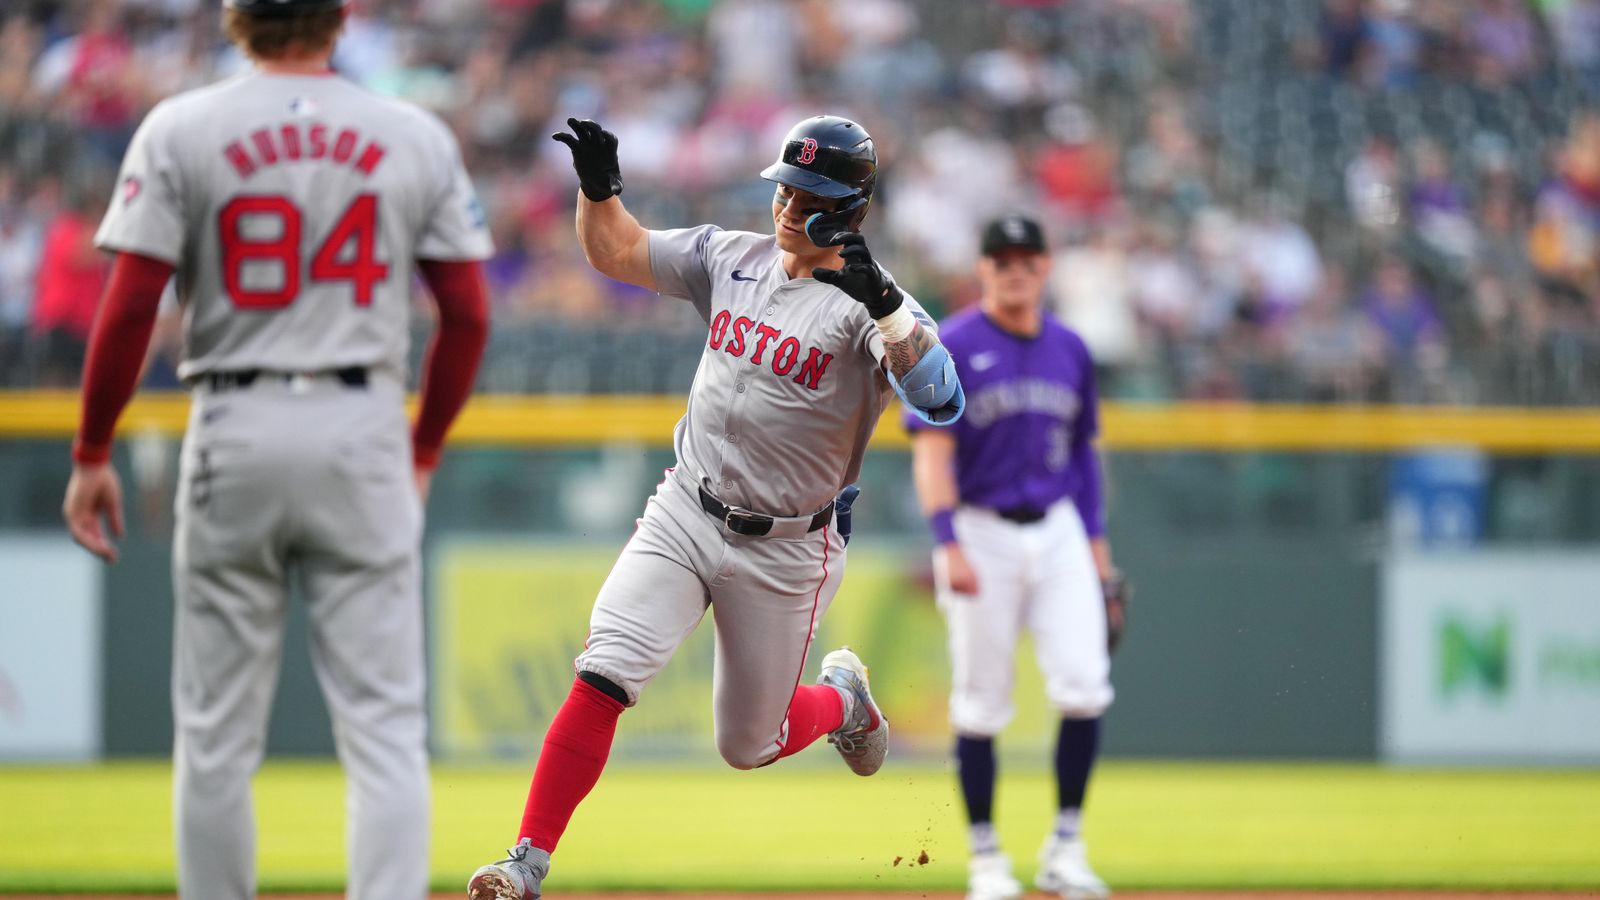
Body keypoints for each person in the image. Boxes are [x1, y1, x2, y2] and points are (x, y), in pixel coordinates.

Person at [466, 114, 964, 900]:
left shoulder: (872, 307)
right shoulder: (731, 256)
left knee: (748, 743)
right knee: (604, 672)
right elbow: (617, 250)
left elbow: (939, 401)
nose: (791, 208)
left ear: (854, 211)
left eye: (813, 196)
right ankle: (523, 863)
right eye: (787, 189)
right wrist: (600, 190)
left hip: (787, 546)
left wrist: (889, 309)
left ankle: (842, 703)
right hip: (686, 509)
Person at [60, 1, 493, 898]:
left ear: (238, 21)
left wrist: (93, 448)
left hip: (233, 418)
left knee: (215, 736)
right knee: (383, 729)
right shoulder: (409, 132)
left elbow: (132, 305)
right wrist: (421, 452)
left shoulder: (181, 125)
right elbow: (468, 313)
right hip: (360, 422)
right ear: (339, 20)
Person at [908, 214, 1121, 900]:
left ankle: (1066, 847)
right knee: (980, 703)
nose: (1015, 268)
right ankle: (986, 860)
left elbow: (1084, 454)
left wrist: (1098, 552)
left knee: (1085, 686)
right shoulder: (952, 342)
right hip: (980, 529)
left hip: (1058, 526)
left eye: (1027, 256)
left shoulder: (1071, 348)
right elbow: (931, 452)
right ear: (983, 269)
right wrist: (947, 543)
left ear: (1046, 266)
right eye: (1002, 258)